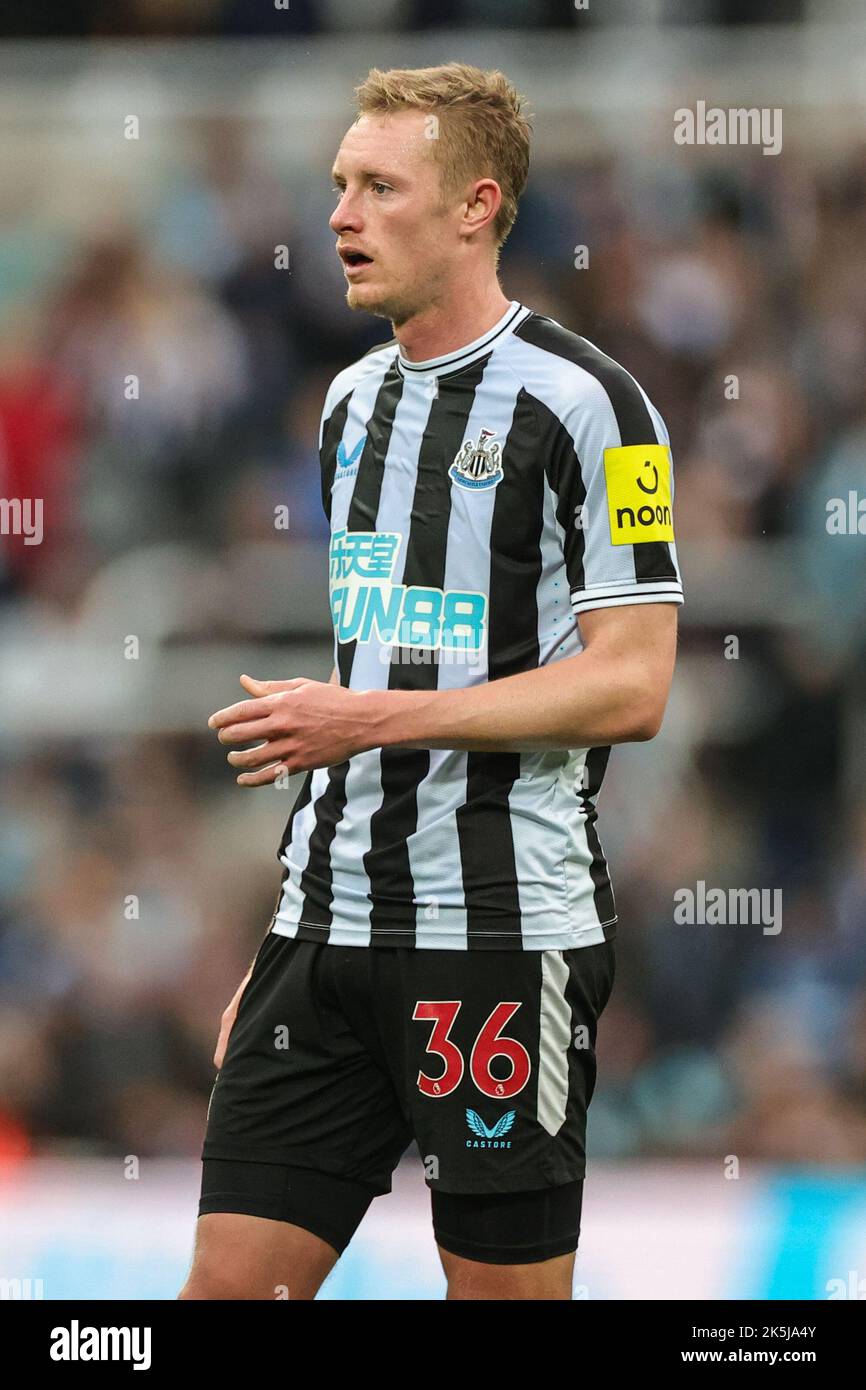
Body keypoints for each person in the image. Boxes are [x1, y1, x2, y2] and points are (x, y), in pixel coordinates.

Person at [179, 61, 683, 1302]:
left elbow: (633, 686)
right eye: (338, 185)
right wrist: (287, 929)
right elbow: (378, 663)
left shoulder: (594, 409)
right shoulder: (346, 405)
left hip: (498, 940)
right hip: (326, 928)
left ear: (475, 204)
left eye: (377, 187)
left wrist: (369, 720)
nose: (340, 214)